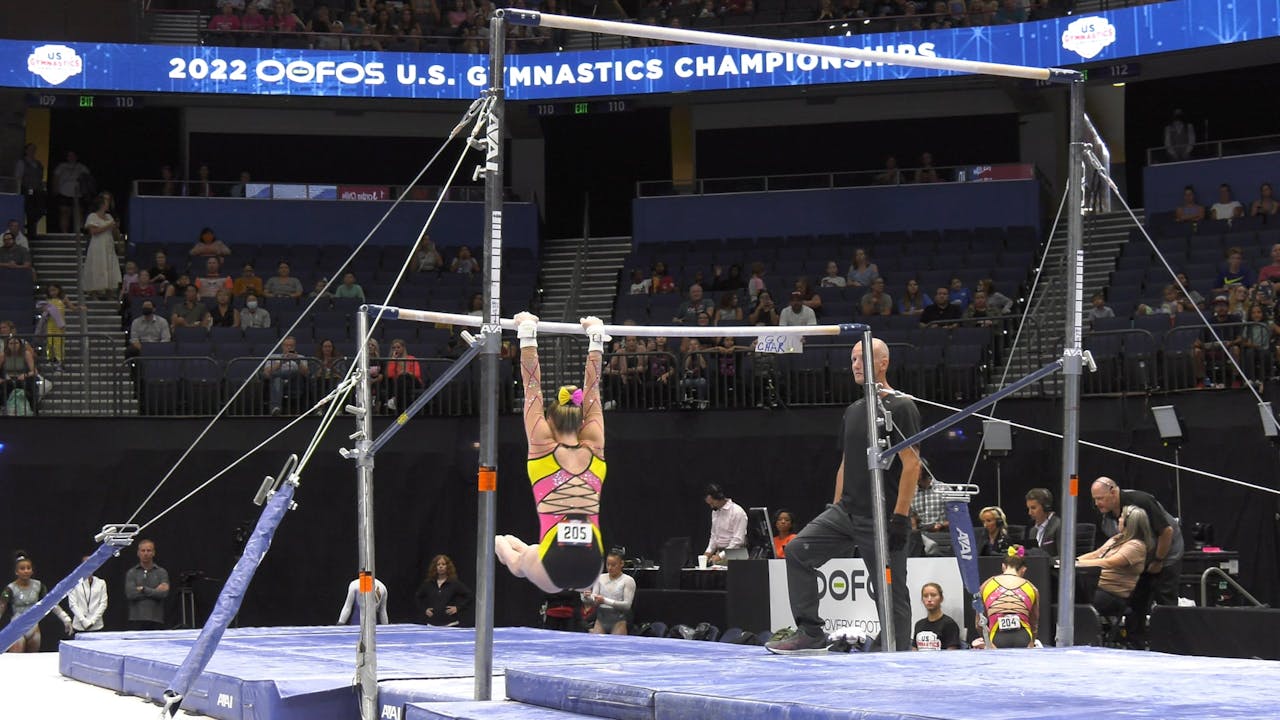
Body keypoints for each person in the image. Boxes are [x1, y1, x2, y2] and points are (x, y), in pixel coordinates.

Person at [767, 339, 921, 654]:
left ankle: (896, 652)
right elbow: (846, 464)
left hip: (882, 517)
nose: (855, 364)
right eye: (852, 359)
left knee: (891, 592)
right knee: (797, 550)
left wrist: (901, 518)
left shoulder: (901, 406)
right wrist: (835, 508)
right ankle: (811, 632)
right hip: (846, 513)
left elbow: (912, 464)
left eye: (862, 358)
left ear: (883, 363)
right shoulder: (853, 410)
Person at [495, 313, 608, 593]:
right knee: (530, 553)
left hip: (551, 564)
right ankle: (525, 549)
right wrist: (595, 337)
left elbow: (532, 388)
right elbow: (592, 392)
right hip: (594, 565)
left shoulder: (543, 448)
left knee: (513, 558)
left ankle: (508, 546)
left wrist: (527, 330)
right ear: (581, 422)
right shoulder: (594, 447)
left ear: (550, 422)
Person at [1089, 476, 1183, 649]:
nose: (1097, 503)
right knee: (1137, 599)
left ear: (1113, 492)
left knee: (1165, 601)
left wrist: (1158, 560)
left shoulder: (1140, 501)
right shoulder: (1105, 511)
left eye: (1100, 498)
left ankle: (1170, 646)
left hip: (1166, 551)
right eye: (1095, 499)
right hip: (1141, 555)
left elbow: (1166, 531)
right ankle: (1136, 644)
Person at [1077, 506, 1153, 618]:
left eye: (1121, 517)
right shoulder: (1117, 539)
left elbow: (1110, 563)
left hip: (1112, 595)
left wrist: (1078, 565)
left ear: (1129, 523)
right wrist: (1074, 561)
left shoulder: (1136, 546)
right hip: (1095, 587)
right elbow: (1096, 554)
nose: (1119, 520)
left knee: (1072, 601)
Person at [1, 551, 73, 652]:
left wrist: (65, 618)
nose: (26, 571)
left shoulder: (39, 586)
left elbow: (50, 603)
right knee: (16, 660)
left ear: (32, 571)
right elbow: (1, 607)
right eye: (22, 569)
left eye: (28, 568)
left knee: (33, 659)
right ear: (16, 572)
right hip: (16, 628)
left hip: (33, 628)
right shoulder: (9, 589)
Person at [975, 546, 1039, 649]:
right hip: (1024, 635)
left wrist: (987, 641)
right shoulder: (1032, 588)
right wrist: (1032, 642)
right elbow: (1034, 624)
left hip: (996, 634)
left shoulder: (986, 585)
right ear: (1023, 570)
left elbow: (979, 624)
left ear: (1003, 566)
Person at [581, 551, 636, 635]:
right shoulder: (600, 578)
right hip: (600, 620)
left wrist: (604, 600)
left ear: (621, 564)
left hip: (618, 621)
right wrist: (586, 597)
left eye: (613, 565)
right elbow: (594, 601)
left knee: (616, 646)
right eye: (608, 564)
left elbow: (627, 605)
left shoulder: (628, 580)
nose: (610, 568)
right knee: (597, 646)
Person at [82, 194, 122, 300]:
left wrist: (115, 228)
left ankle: (109, 292)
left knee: (109, 266)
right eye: (106, 202)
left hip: (108, 244)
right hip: (97, 245)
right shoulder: (92, 216)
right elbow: (93, 231)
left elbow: (114, 234)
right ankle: (94, 292)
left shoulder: (109, 217)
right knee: (97, 266)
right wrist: (108, 226)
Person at [415, 554, 473, 627]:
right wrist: (424, 610)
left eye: (443, 564)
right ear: (435, 567)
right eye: (438, 564)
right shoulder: (429, 584)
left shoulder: (454, 583)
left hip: (450, 624)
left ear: (447, 567)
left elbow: (469, 595)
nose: (440, 566)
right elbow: (418, 597)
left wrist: (458, 608)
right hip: (432, 625)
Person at [124, 539, 169, 630]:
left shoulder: (161, 572)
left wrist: (143, 589)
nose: (145, 553)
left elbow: (163, 594)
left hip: (156, 619)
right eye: (143, 550)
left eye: (149, 550)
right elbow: (130, 594)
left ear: (153, 553)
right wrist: (154, 591)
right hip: (136, 619)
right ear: (138, 553)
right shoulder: (132, 573)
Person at [263, 335, 309, 416]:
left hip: (295, 382)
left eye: (291, 345)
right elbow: (266, 373)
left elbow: (306, 373)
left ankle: (277, 376)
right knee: (277, 379)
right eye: (286, 345)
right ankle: (276, 408)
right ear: (282, 346)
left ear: (294, 346)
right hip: (278, 383)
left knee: (294, 371)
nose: (289, 348)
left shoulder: (300, 357)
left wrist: (297, 361)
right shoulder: (273, 356)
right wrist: (281, 361)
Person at [702, 483, 747, 564]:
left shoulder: (737, 511)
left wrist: (720, 556)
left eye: (712, 503)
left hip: (736, 553)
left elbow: (738, 541)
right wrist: (707, 554)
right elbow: (714, 537)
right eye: (709, 504)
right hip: (720, 553)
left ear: (719, 498)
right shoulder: (715, 512)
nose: (711, 507)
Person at [912, 582, 961, 650]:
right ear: (922, 600)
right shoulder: (919, 625)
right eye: (925, 596)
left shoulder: (949, 624)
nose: (929, 599)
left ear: (941, 598)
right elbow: (914, 651)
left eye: (933, 595)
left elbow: (951, 653)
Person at [67, 556, 109, 634]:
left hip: (97, 625)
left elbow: (103, 604)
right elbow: (73, 604)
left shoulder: (101, 583)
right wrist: (84, 621)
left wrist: (92, 621)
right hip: (79, 626)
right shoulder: (74, 582)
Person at [14, 143, 45, 241]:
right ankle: (32, 232)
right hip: (27, 189)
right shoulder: (22, 162)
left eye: (34, 149)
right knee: (30, 209)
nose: (32, 151)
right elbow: (18, 177)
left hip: (38, 190)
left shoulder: (38, 163)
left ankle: (31, 226)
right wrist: (18, 191)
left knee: (40, 210)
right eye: (30, 149)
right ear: (26, 150)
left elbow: (40, 178)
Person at [1, 334, 39, 415]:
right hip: (8, 380)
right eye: (11, 344)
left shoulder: (26, 354)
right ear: (7, 345)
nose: (13, 346)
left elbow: (34, 371)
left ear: (20, 344)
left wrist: (25, 375)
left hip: (23, 378)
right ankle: (5, 409)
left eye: (16, 343)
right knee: (5, 386)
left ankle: (32, 411)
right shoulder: (3, 355)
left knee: (26, 385)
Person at [383, 338, 423, 413]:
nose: (396, 349)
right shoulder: (392, 360)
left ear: (403, 348)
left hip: (414, 381)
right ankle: (405, 409)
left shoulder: (411, 358)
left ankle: (396, 402)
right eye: (394, 348)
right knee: (402, 380)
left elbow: (417, 374)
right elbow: (389, 375)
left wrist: (406, 372)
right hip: (399, 383)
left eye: (398, 347)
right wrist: (393, 360)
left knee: (404, 377)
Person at [1025, 488, 1061, 557]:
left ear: (1046, 507)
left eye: (1033, 508)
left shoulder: (1059, 526)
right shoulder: (1033, 531)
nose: (1029, 513)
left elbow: (1063, 557)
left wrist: (1044, 561)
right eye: (1028, 508)